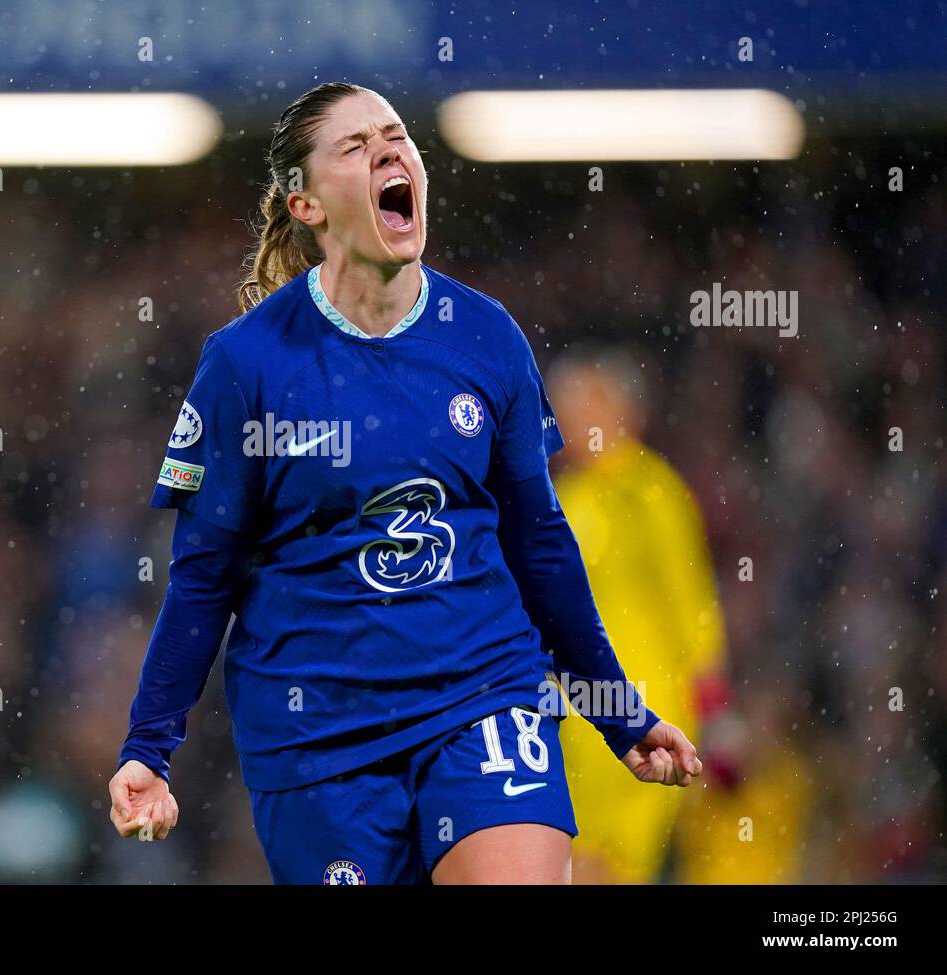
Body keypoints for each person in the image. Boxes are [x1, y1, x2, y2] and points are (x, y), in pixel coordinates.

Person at [109, 82, 701, 885]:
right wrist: (150, 747)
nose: (389, 150)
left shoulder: (487, 338)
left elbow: (540, 545)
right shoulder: (245, 364)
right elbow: (203, 576)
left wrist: (617, 712)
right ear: (307, 205)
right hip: (318, 735)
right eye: (355, 147)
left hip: (483, 697)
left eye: (397, 137)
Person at [547, 347, 733, 883]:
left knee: (615, 865)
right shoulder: (563, 496)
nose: (567, 421)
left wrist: (716, 709)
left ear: (618, 409)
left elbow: (693, 603)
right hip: (572, 719)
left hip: (644, 711)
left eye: (580, 405)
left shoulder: (653, 493)